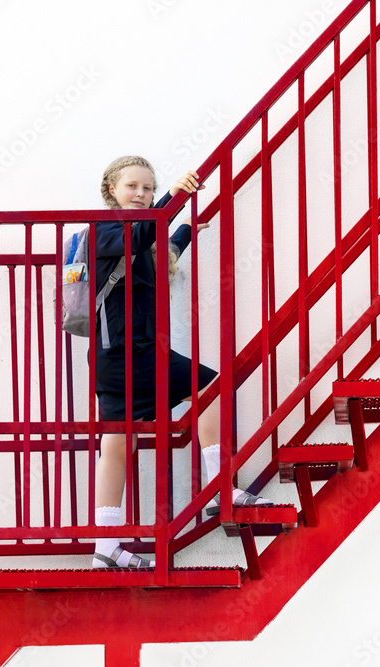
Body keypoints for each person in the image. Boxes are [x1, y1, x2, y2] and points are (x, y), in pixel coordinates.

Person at [91, 155, 269, 569]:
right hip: (132, 352)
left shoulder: (129, 233)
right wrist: (174, 197)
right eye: (132, 186)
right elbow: (139, 240)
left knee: (119, 440)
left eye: (148, 188)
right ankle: (220, 486)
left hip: (114, 355)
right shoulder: (104, 227)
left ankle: (105, 545)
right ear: (111, 191)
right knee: (209, 387)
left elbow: (153, 254)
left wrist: (187, 229)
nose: (141, 194)